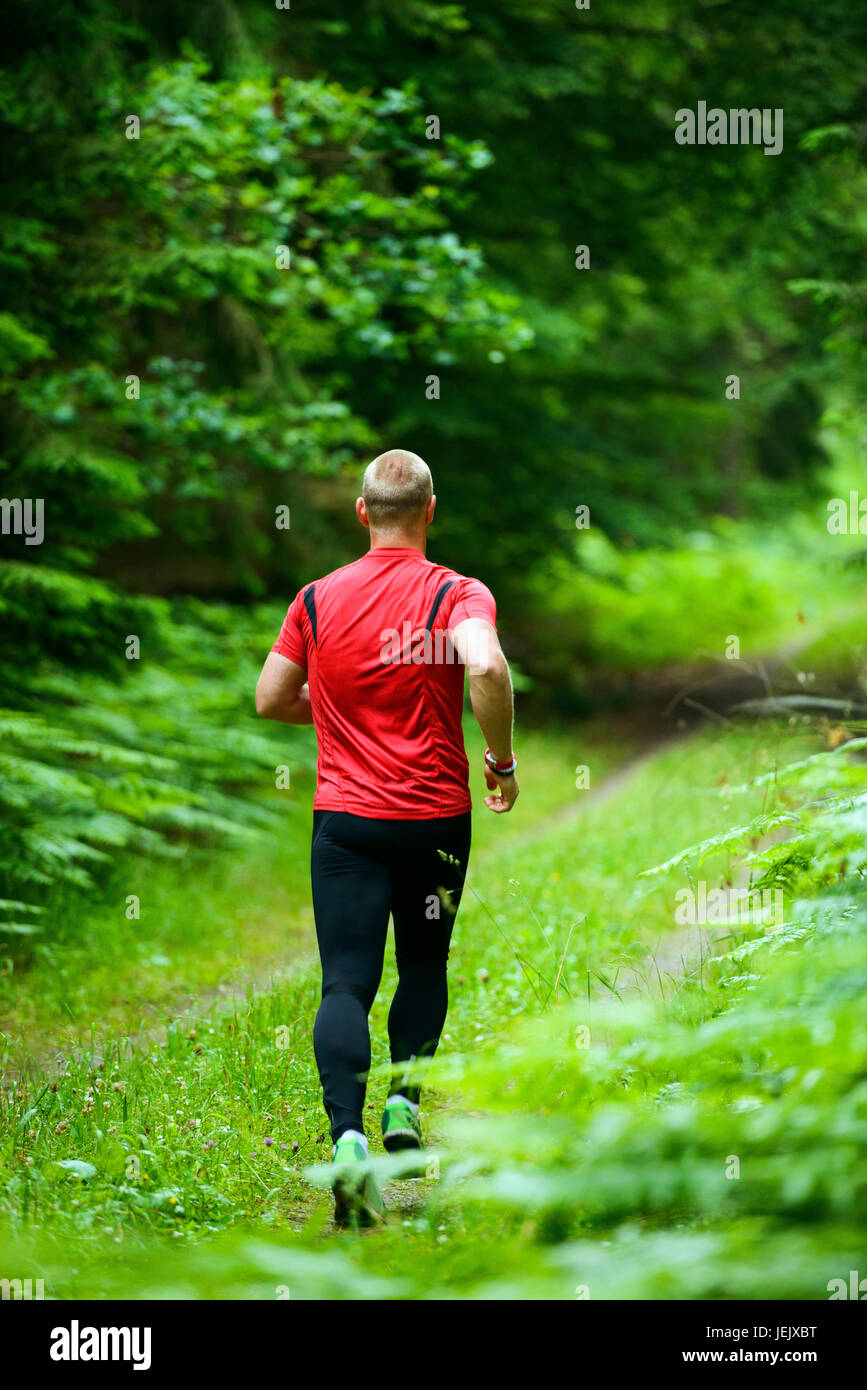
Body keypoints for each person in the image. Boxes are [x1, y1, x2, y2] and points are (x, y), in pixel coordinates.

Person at [255, 448, 519, 1226]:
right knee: (424, 963)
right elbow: (489, 671)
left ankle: (345, 1142)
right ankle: (402, 1105)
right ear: (431, 511)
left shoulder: (314, 599)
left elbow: (271, 699)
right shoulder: (456, 593)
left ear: (363, 512)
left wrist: (336, 710)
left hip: (345, 824)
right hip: (434, 822)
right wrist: (498, 761)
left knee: (344, 983)